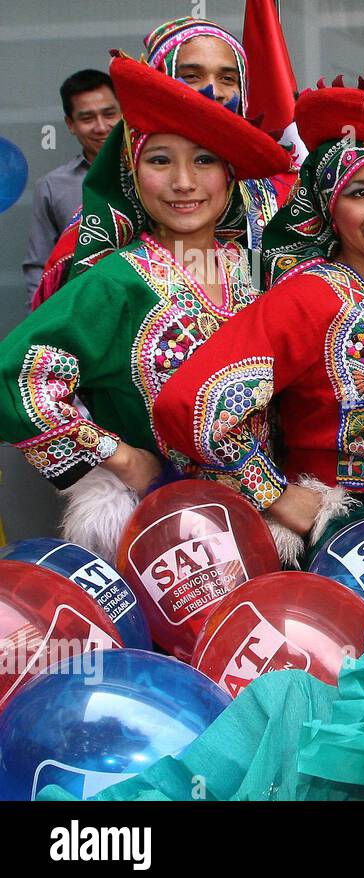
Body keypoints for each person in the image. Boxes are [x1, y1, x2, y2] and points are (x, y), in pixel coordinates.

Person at [154, 85, 364, 565]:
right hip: (343, 536)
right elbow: (190, 404)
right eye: (361, 193)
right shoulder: (310, 296)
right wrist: (276, 495)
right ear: (328, 206)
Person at [0, 53, 290, 559]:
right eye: (160, 160)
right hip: (167, 535)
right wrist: (120, 457)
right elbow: (20, 375)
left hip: (266, 517)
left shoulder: (248, 268)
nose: (183, 182)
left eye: (203, 160)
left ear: (228, 176)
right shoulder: (117, 281)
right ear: (133, 175)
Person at [31, 16, 294, 308]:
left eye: (228, 78)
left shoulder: (279, 191)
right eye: (192, 76)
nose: (214, 90)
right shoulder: (109, 209)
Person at [22, 70, 120, 299]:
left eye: (109, 114)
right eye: (87, 118)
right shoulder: (52, 186)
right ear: (70, 124)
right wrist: (40, 324)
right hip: (81, 314)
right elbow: (38, 266)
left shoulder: (154, 173)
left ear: (124, 112)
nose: (101, 126)